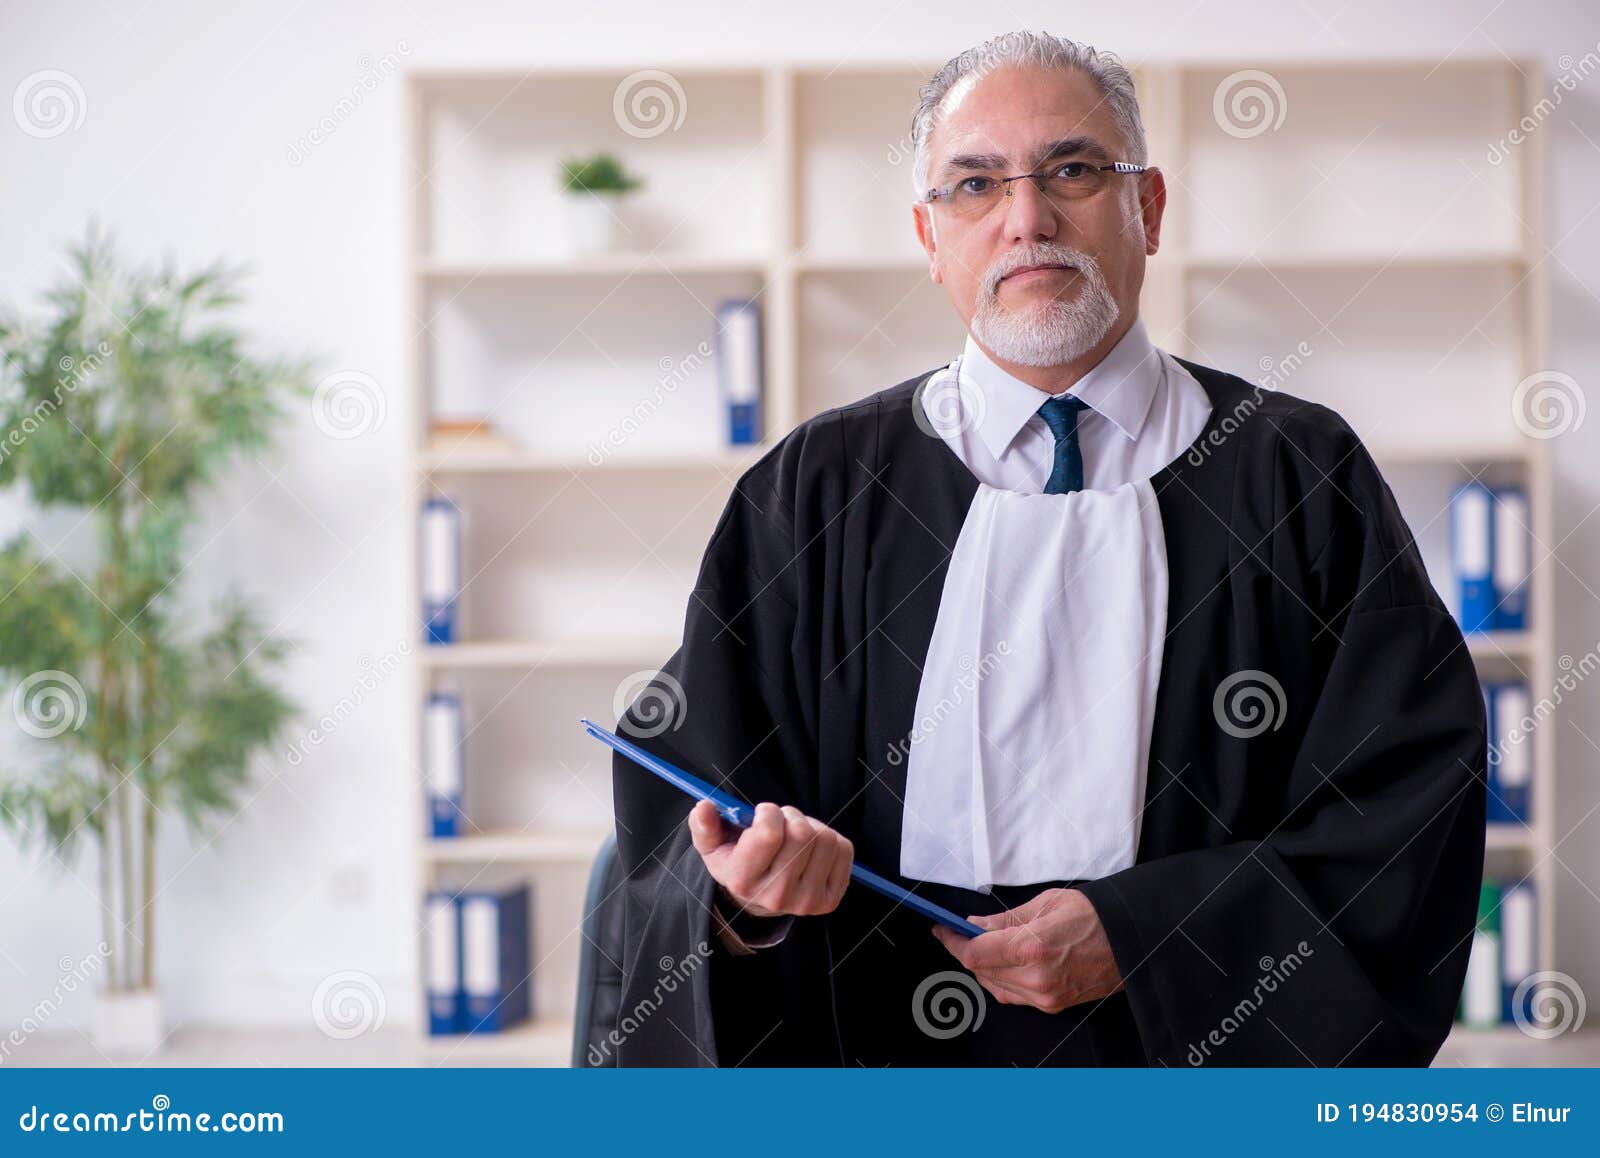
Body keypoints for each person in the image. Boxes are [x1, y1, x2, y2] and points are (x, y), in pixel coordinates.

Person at [608, 30, 1486, 1066]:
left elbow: (1402, 813)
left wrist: (1152, 936)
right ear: (931, 236)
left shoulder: (1298, 474)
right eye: (975, 184)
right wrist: (743, 896)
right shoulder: (818, 490)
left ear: (1147, 207)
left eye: (1072, 170)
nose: (1026, 220)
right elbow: (691, 807)